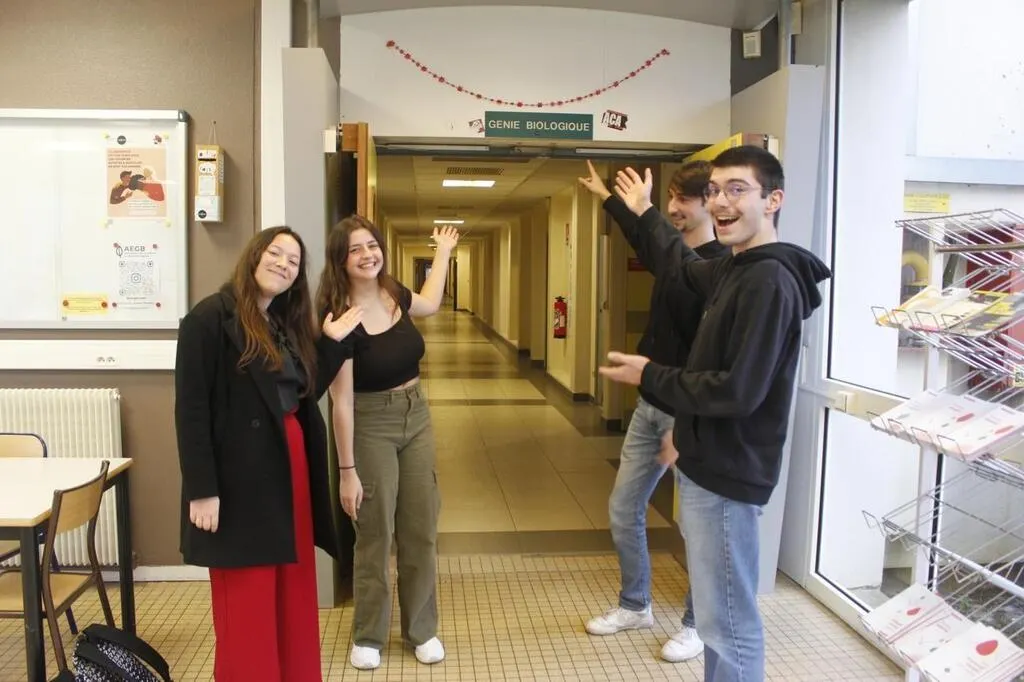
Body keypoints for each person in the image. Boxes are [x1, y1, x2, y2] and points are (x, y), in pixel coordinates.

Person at [599, 146, 832, 682]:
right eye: (715, 191)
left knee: (727, 622)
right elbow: (680, 267)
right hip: (709, 463)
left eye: (737, 190)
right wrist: (642, 213)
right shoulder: (736, 268)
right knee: (715, 619)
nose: (721, 202)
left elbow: (737, 391)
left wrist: (651, 375)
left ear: (773, 200)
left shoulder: (768, 281)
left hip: (728, 474)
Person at [174, 226, 364, 682]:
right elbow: (191, 408)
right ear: (254, 255)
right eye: (275, 253)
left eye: (293, 261)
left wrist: (331, 343)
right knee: (248, 598)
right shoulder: (209, 318)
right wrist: (202, 491)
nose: (283, 263)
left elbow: (301, 393)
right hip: (238, 482)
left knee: (292, 591)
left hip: (289, 469)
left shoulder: (281, 323)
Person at [578, 159, 728, 663]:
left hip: (690, 414)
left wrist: (685, 427)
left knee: (697, 525)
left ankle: (696, 623)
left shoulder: (719, 267)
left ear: (711, 203)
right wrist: (611, 200)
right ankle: (635, 604)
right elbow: (646, 240)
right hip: (651, 406)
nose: (673, 209)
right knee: (624, 508)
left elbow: (663, 249)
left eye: (683, 201)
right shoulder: (676, 253)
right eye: (670, 201)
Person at [316, 214, 459, 671]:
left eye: (372, 245)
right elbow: (340, 403)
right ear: (341, 260)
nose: (367, 254)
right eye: (355, 248)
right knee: (374, 533)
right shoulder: (341, 319)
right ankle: (369, 634)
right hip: (369, 421)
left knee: (420, 528)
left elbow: (433, 303)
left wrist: (442, 252)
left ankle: (421, 629)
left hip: (417, 414)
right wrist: (347, 471)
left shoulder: (394, 292)